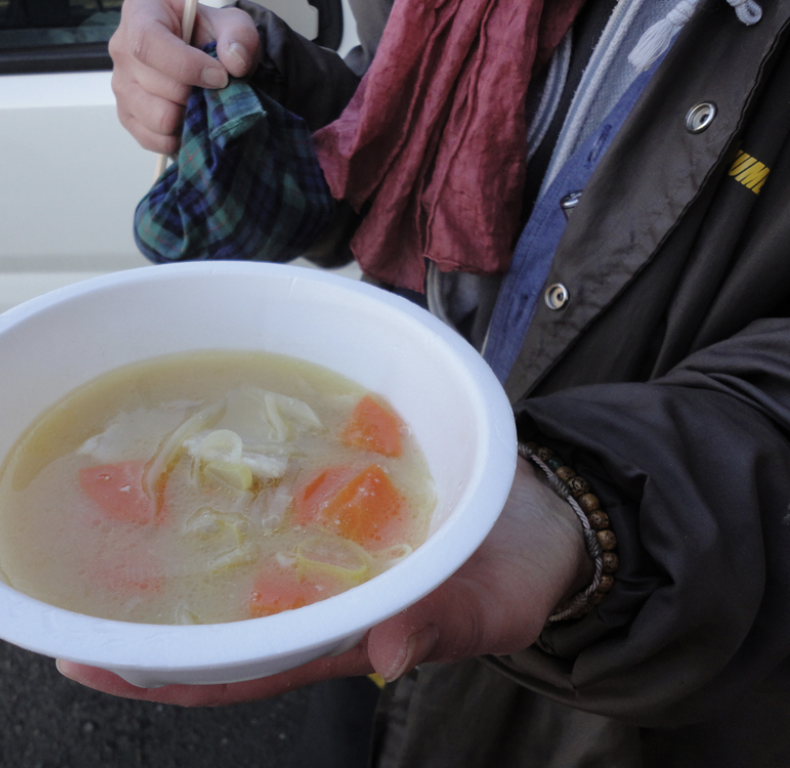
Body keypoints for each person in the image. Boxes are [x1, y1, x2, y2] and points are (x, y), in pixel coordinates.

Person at [58, 0, 790, 763]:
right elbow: (394, 170)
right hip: (377, 561)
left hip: (627, 656)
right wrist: (239, 75)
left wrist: (590, 509)